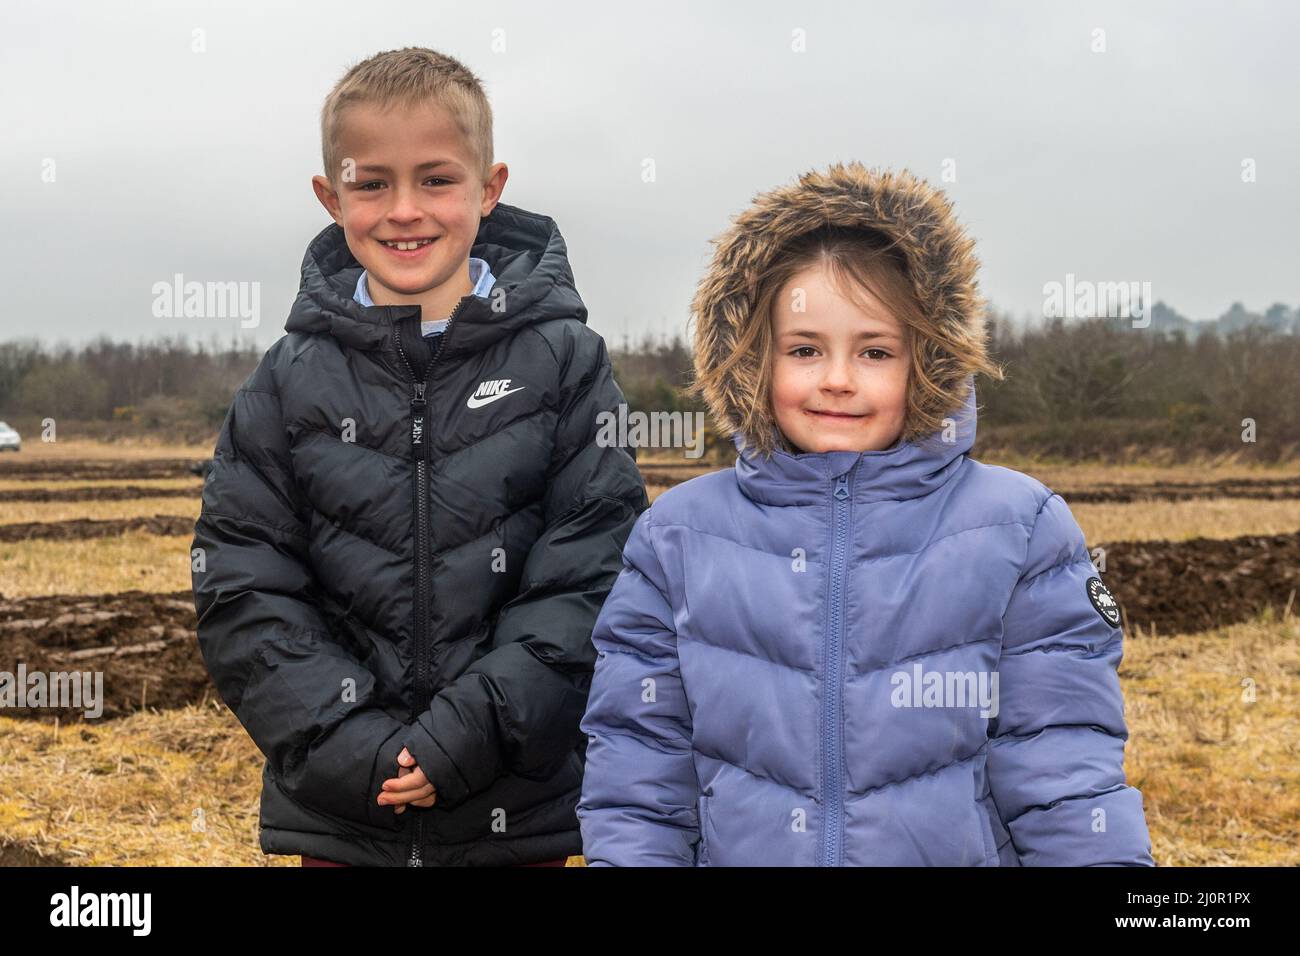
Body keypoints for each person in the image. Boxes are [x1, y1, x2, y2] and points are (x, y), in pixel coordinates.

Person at [576, 162, 1154, 866]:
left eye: (875, 350)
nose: (838, 378)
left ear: (930, 361)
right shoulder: (675, 538)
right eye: (804, 350)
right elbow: (639, 779)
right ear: (754, 362)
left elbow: (1064, 772)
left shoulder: (1021, 527)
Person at [191, 46, 646, 867]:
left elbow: (592, 573)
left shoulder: (567, 361)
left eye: (436, 180)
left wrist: (464, 739)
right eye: (372, 184)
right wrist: (356, 749)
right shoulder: (285, 380)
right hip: (344, 812)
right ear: (332, 198)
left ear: (490, 187)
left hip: (513, 807)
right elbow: (242, 585)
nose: (405, 210)